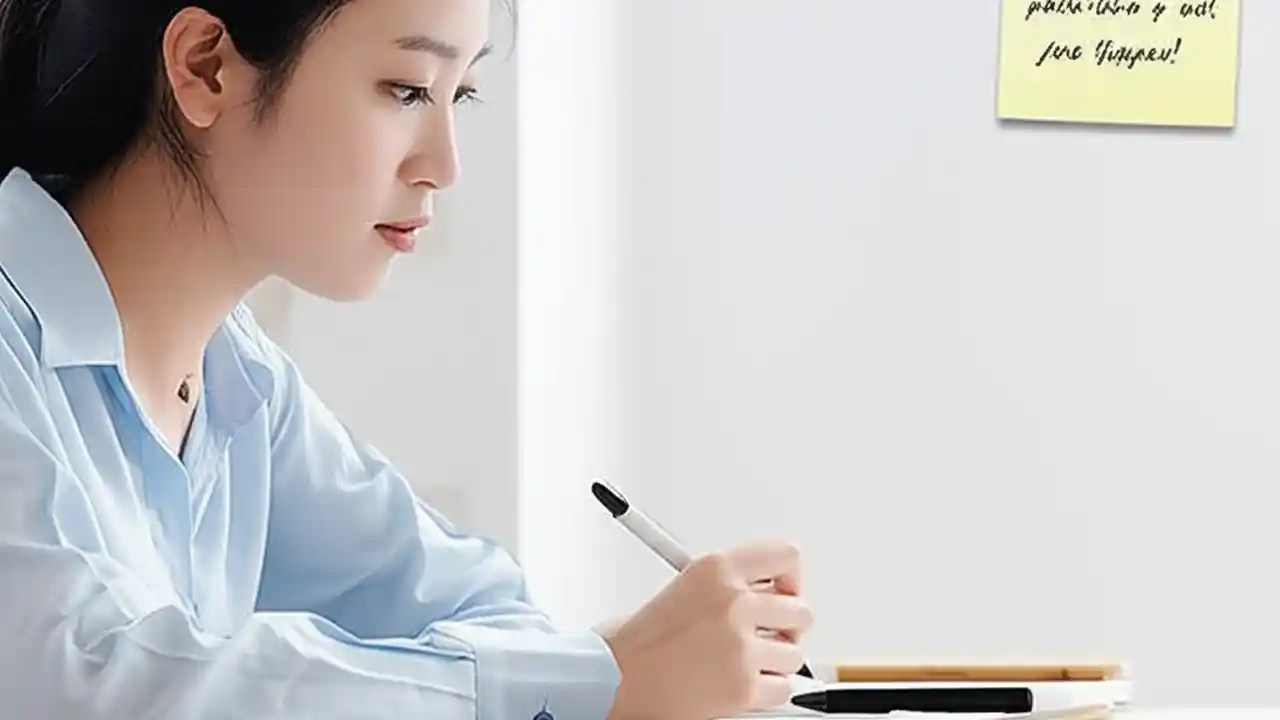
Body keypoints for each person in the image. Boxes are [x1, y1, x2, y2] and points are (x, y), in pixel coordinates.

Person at [0, 1, 814, 718]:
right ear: (206, 66)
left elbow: (480, 605)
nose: (445, 165)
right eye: (408, 89)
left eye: (459, 95)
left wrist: (600, 674)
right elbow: (78, 683)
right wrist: (595, 678)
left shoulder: (239, 383)